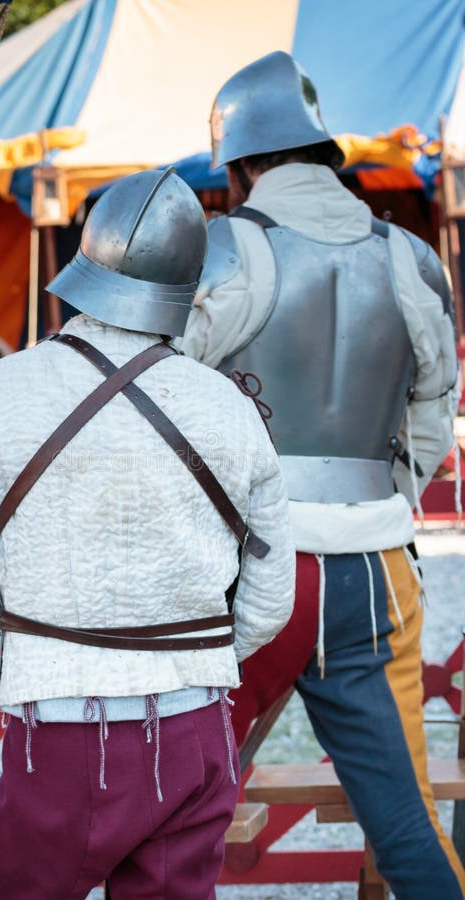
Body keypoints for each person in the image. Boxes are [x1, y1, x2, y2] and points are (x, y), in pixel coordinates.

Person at [0, 169, 295, 899]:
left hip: (58, 735)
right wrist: (183, 661)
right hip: (194, 731)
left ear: (85, 263)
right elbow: (270, 601)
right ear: (187, 283)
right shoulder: (232, 408)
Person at [182, 51, 465, 899]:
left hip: (248, 569)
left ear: (240, 165)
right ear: (322, 152)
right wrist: (385, 499)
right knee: (407, 826)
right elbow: (432, 409)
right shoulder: (410, 255)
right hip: (375, 568)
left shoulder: (222, 249)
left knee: (175, 809)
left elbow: (163, 399)